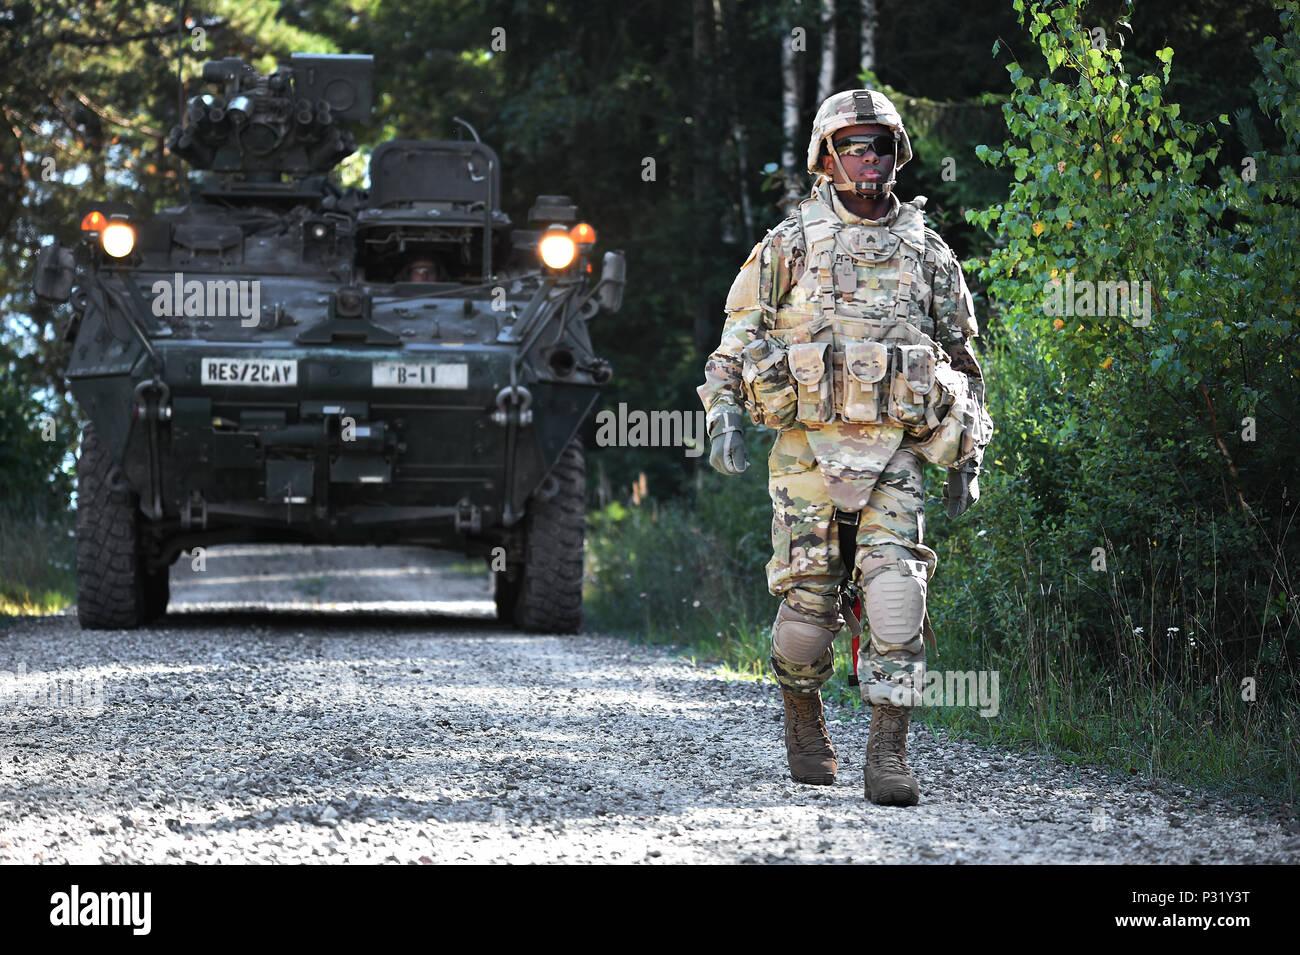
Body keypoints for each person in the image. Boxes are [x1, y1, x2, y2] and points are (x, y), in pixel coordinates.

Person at [697, 89, 992, 806]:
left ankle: (887, 752)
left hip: (896, 451)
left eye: (882, 145)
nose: (869, 160)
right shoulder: (790, 242)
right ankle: (804, 719)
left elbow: (963, 361)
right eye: (854, 146)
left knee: (897, 599)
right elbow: (737, 340)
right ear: (826, 157)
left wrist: (968, 456)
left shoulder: (928, 249)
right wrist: (723, 416)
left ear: (899, 155)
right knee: (807, 610)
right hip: (806, 452)